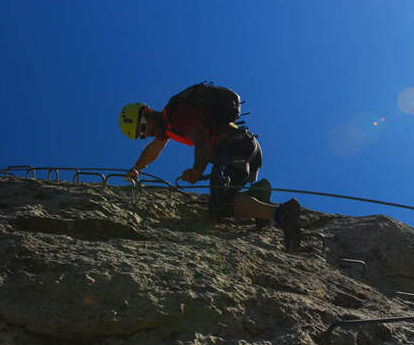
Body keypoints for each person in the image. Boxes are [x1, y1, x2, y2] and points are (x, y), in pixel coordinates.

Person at [119, 86, 301, 251]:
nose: (148, 133)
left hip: (234, 147)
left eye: (144, 127)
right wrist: (137, 168)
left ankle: (282, 213)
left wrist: (197, 170)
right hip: (245, 146)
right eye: (142, 135)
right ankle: (257, 195)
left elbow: (201, 138)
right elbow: (153, 149)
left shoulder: (176, 115)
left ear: (148, 112)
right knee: (223, 200)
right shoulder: (167, 126)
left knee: (220, 204)